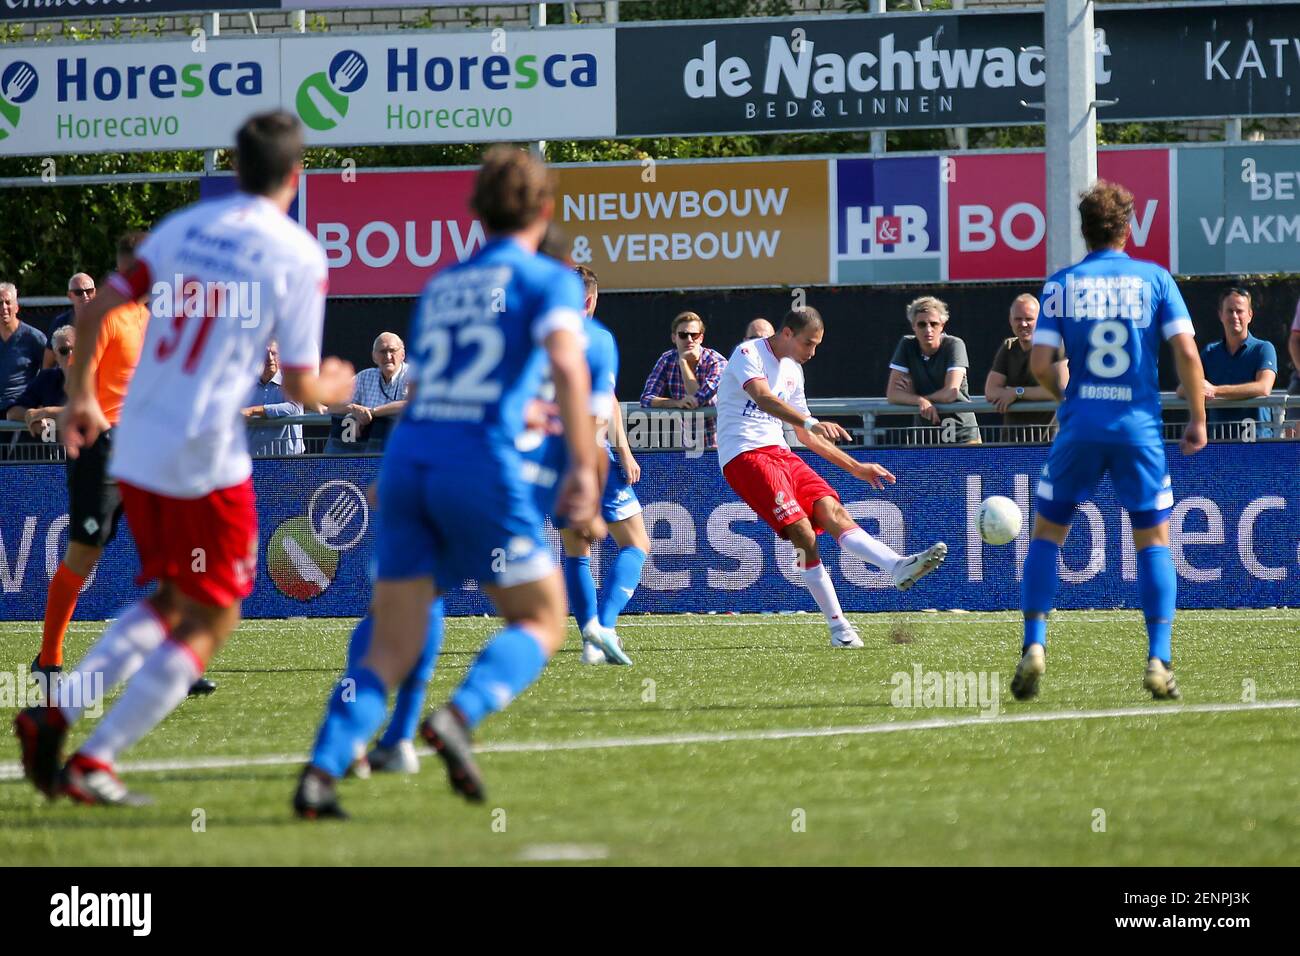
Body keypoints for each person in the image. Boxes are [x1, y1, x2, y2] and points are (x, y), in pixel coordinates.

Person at [14, 111, 338, 806]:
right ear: (296, 175)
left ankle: (57, 713)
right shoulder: (298, 254)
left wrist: (76, 399)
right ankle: (91, 753)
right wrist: (334, 386)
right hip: (203, 449)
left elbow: (94, 314)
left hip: (137, 443)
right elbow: (304, 385)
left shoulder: (181, 231)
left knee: (172, 596)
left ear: (235, 168)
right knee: (214, 610)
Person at [294, 145, 600, 819]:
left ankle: (322, 768)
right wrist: (582, 469)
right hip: (477, 462)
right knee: (542, 616)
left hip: (410, 460)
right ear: (545, 210)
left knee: (389, 643)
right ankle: (459, 716)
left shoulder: (442, 286)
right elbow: (571, 373)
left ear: (476, 212)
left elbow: (435, 384)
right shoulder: (548, 280)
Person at [1011, 180, 1207, 704]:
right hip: (1138, 427)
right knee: (1154, 541)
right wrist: (1197, 416)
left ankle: (1035, 644)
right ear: (1127, 228)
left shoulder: (1061, 284)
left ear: (1084, 231)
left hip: (1081, 424)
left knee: (1048, 533)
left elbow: (1038, 364)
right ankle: (1159, 660)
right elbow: (1187, 354)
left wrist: (1067, 399)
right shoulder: (1155, 279)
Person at [717, 306, 948, 649]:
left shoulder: (794, 370)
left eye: (817, 345)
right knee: (803, 534)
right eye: (808, 344)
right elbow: (764, 399)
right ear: (786, 335)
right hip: (744, 456)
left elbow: (807, 437)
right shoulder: (747, 353)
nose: (812, 352)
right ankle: (839, 628)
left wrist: (856, 467)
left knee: (834, 511)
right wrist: (811, 423)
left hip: (781, 453)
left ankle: (896, 566)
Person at [552, 266, 646, 666]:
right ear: (591, 300)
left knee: (576, 550)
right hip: (584, 453)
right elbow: (596, 408)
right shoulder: (597, 339)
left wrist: (623, 447)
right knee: (636, 543)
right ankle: (604, 627)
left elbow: (607, 399)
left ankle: (591, 640)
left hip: (546, 456)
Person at [1179, 288, 1277, 439]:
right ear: (1220, 315)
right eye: (1230, 311)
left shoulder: (1263, 348)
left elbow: (1263, 387)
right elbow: (1182, 389)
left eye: (1240, 311)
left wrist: (1215, 390)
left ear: (1250, 315)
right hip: (1220, 444)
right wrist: (1198, 389)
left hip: (1257, 442)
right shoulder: (1210, 352)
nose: (1235, 316)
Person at [886, 297, 981, 444]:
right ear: (913, 326)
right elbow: (892, 394)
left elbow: (951, 393)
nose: (928, 329)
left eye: (934, 324)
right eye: (922, 324)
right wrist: (920, 401)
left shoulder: (954, 345)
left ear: (942, 325)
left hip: (963, 434)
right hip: (925, 436)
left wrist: (919, 398)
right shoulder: (907, 345)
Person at [984, 294, 1069, 441]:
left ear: (1040, 321)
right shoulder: (1008, 347)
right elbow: (991, 391)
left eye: (1029, 319)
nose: (1023, 324)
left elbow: (1060, 388)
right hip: (1012, 443)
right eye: (1018, 319)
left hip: (1049, 442)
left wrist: (1017, 393)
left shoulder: (1055, 346)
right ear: (1010, 321)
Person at [639, 311, 726, 448]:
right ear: (674, 338)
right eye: (683, 335)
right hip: (685, 447)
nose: (689, 339)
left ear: (701, 338)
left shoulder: (717, 361)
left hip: (719, 446)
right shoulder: (667, 359)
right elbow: (646, 398)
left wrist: (683, 363)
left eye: (694, 335)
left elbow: (697, 400)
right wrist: (676, 403)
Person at [325, 332, 408, 452]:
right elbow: (333, 406)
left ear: (402, 354)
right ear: (374, 357)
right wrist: (354, 409)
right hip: (368, 455)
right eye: (383, 352)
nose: (388, 356)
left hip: (401, 450)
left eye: (392, 350)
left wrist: (372, 413)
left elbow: (409, 404)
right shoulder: (364, 377)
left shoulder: (412, 376)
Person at [6, 324, 72, 439]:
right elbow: (13, 412)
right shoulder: (47, 378)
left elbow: (90, 411)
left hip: (95, 451)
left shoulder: (97, 376)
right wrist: (32, 418)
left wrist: (45, 412)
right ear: (56, 356)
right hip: (56, 454)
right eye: (64, 350)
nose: (71, 355)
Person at [243, 340, 306, 456]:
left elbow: (295, 408)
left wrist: (255, 411)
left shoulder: (292, 381)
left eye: (274, 353)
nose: (270, 359)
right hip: (254, 459)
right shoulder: (245, 384)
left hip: (288, 461)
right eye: (264, 354)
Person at [0, 281, 47, 413]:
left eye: (8, 302)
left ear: (17, 307)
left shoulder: (34, 338)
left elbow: (50, 372)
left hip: (19, 409)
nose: (4, 307)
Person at [43, 273, 96, 369]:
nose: (85, 296)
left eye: (89, 291)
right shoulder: (60, 323)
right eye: (78, 292)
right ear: (70, 295)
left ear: (95, 292)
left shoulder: (107, 320)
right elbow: (48, 363)